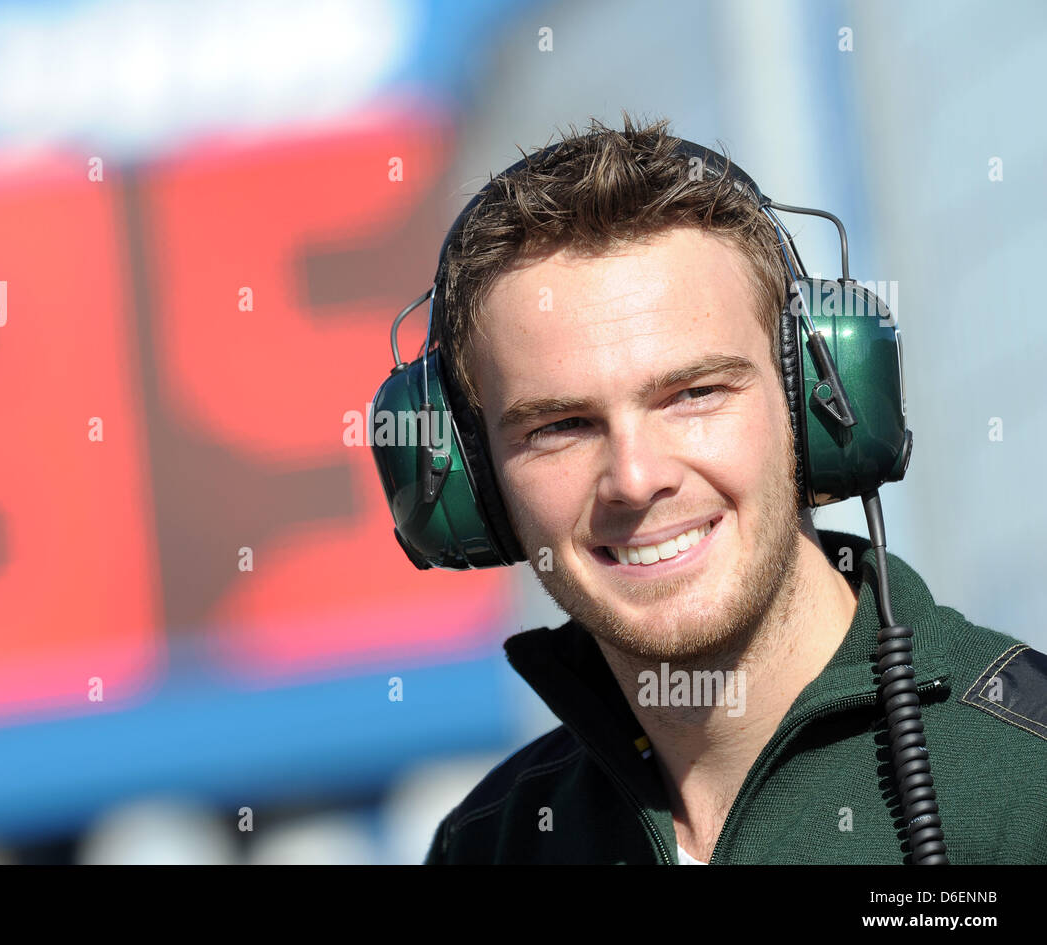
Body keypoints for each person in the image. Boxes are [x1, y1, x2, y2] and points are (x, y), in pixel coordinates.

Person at [395, 114, 1047, 864]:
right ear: (474, 482)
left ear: (818, 405)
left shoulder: (1027, 787)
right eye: (560, 426)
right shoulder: (491, 843)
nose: (637, 478)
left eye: (694, 393)